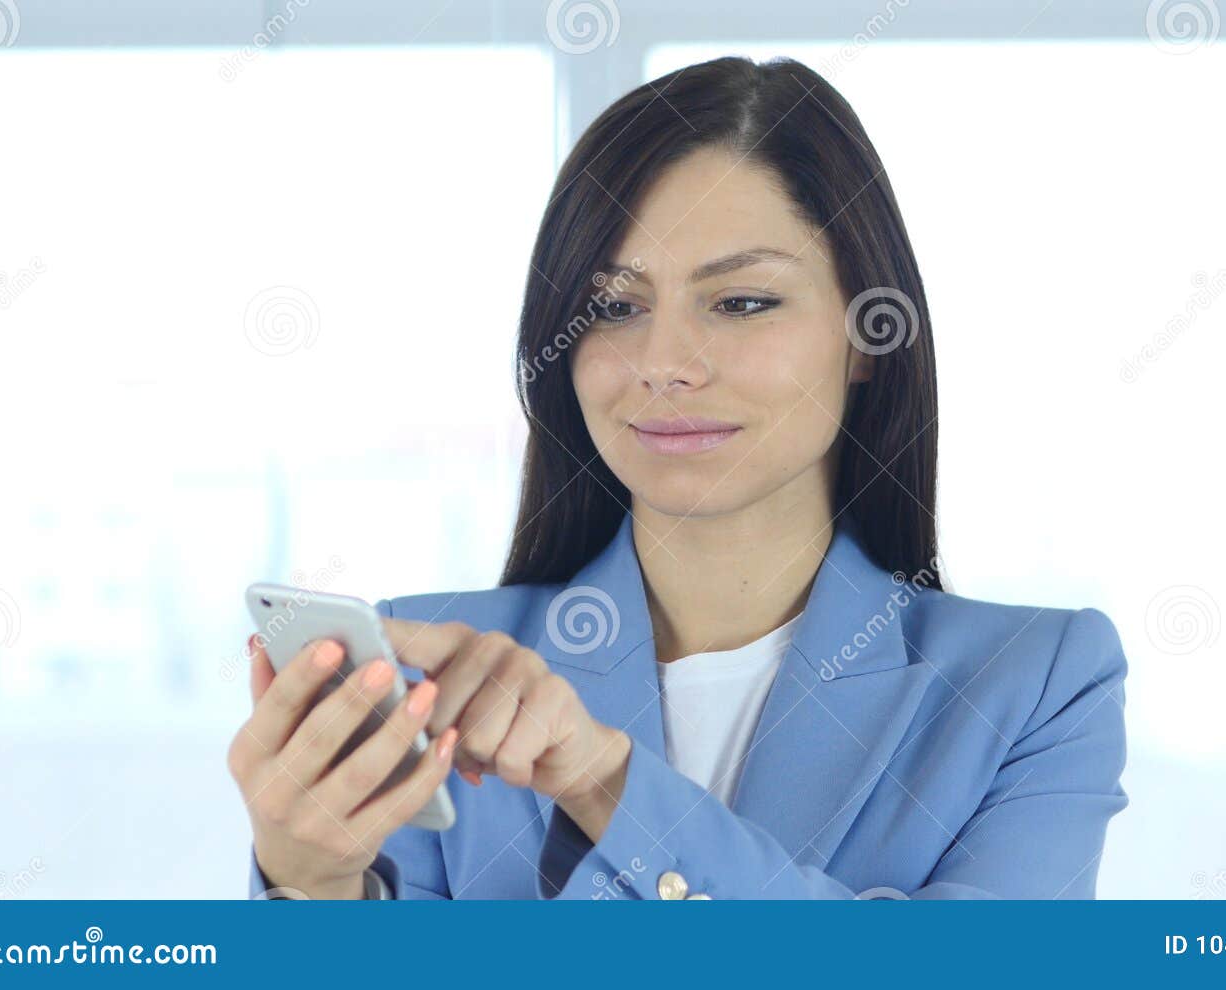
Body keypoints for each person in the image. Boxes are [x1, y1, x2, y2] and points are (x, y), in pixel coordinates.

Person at [227, 55, 1129, 900]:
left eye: (741, 302)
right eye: (615, 307)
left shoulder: (1035, 687)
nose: (664, 363)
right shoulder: (434, 676)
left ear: (867, 334)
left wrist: (604, 781)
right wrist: (309, 882)